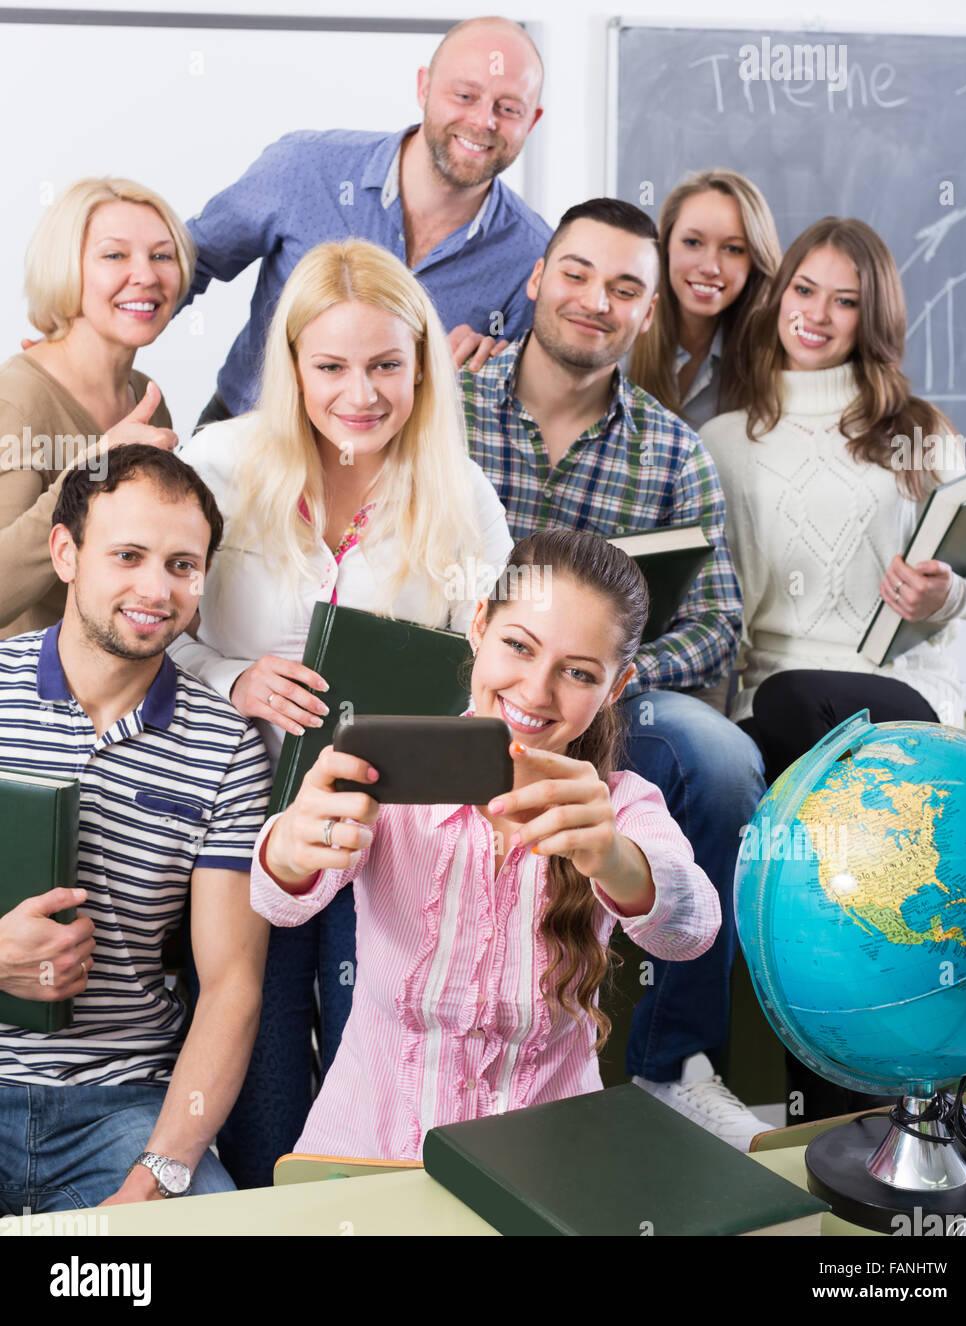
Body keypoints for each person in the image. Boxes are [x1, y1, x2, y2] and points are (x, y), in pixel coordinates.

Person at [174, 237, 513, 1185]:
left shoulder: (462, 498)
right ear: (291, 368)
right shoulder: (222, 467)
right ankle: (260, 1202)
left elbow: (488, 675)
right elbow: (150, 622)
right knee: (262, 1030)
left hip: (384, 824)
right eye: (329, 366)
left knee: (378, 1020)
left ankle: (373, 1204)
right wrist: (230, 673)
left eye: (384, 366)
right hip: (236, 807)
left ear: (420, 368)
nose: (357, 393)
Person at [460, 196, 771, 1150]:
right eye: (578, 274)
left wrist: (619, 678)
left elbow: (719, 619)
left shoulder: (672, 449)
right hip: (469, 691)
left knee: (720, 760)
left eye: (626, 289)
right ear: (536, 279)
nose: (596, 301)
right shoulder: (446, 406)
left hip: (615, 702)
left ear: (647, 315)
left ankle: (675, 1063)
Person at [251, 529, 720, 1158]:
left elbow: (691, 932)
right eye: (518, 646)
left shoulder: (618, 803)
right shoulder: (392, 770)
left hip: (548, 1161)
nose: (535, 691)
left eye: (578, 672)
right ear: (478, 626)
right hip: (372, 1148)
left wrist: (612, 858)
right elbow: (277, 902)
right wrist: (290, 846)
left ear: (616, 686)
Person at [700, 218, 966, 1122]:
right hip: (777, 717)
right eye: (802, 290)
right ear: (776, 292)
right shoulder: (718, 438)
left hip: (898, 708)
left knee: (792, 709)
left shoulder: (916, 436)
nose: (817, 315)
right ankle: (839, 1123)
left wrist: (940, 595)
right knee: (822, 905)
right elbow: (718, 608)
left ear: (872, 317)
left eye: (845, 301)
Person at [0, 446, 272, 1211]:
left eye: (182, 565)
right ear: (66, 554)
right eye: (128, 556)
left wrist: (160, 1174)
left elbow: (230, 988)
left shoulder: (225, 748)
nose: (156, 589)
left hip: (123, 1104)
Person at [185, 16, 549, 425]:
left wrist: (480, 378)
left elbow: (523, 407)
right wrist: (105, 379)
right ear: (424, 87)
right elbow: (184, 262)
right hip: (244, 446)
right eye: (465, 95)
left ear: (531, 121)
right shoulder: (304, 167)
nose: (485, 121)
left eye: (509, 108)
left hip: (395, 477)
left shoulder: (534, 258)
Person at [0, 177, 188, 639]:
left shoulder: (146, 399)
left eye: (162, 256)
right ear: (67, 269)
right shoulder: (19, 402)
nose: (146, 274)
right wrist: (89, 475)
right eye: (114, 255)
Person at [629, 169, 780, 429]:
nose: (710, 267)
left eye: (733, 249)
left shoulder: (771, 359)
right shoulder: (619, 337)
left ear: (755, 261)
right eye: (692, 242)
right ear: (665, 247)